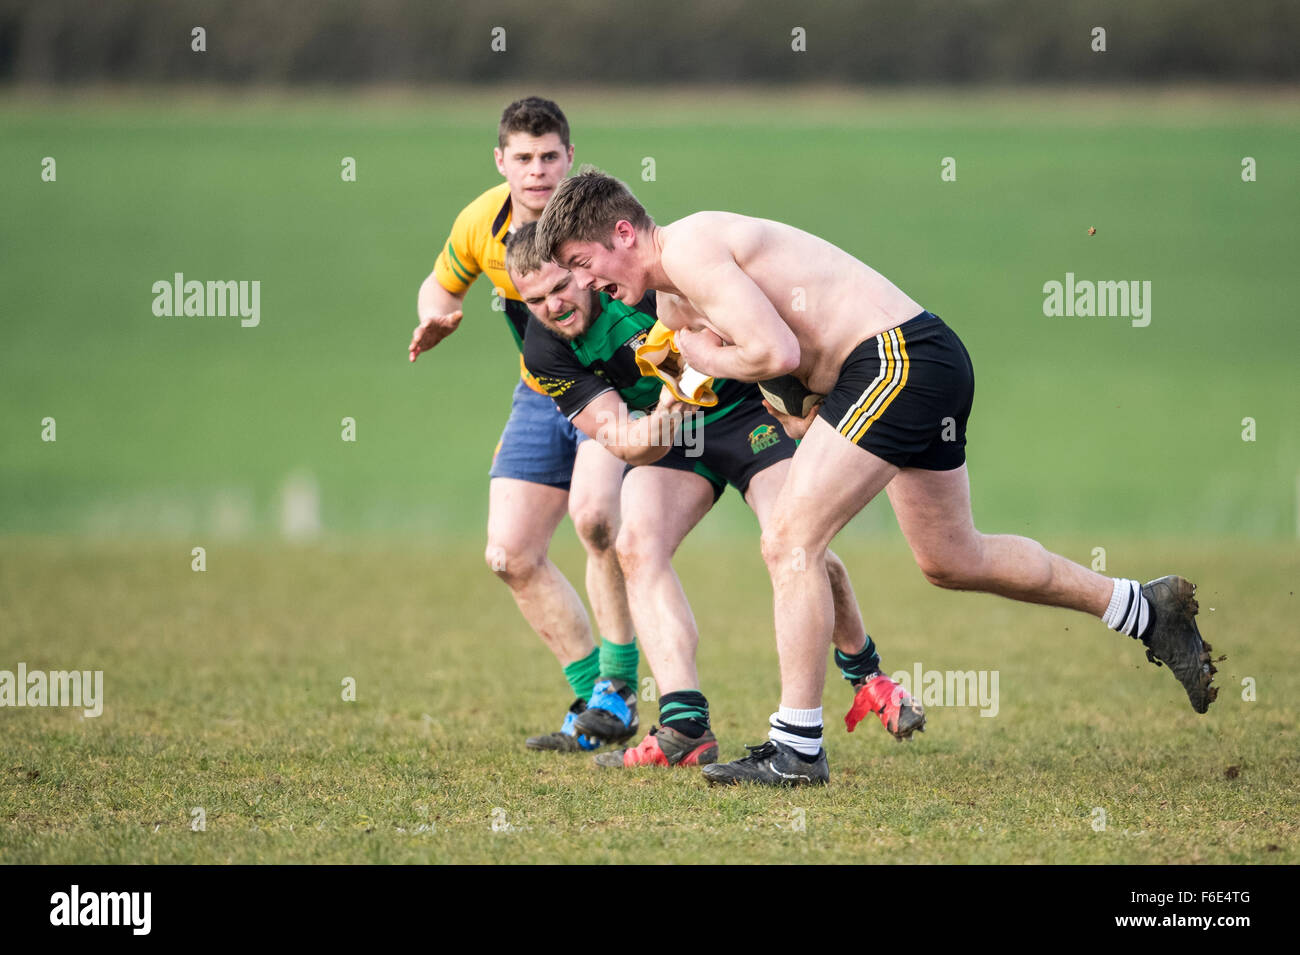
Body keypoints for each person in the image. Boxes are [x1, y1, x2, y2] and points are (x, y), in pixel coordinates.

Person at [535, 167, 1218, 786]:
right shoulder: (673, 303)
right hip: (914, 364)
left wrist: (698, 356)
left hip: (897, 360)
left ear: (623, 232)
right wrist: (697, 381)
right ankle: (1142, 607)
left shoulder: (689, 249)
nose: (585, 282)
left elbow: (775, 347)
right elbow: (785, 384)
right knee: (953, 557)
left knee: (790, 541)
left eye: (580, 262)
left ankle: (797, 746)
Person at [507, 222, 924, 772]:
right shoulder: (544, 349)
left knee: (801, 549)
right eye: (534, 299)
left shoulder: (645, 284)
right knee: (636, 544)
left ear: (584, 271)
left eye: (561, 287)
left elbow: (765, 337)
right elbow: (622, 440)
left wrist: (797, 405)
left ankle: (868, 677)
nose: (552, 306)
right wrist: (665, 415)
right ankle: (683, 728)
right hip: (672, 435)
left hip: (751, 416)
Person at [409, 103, 637, 752]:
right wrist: (436, 314)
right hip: (541, 395)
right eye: (523, 157)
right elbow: (441, 280)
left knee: (596, 520)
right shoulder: (482, 221)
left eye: (548, 156)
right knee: (509, 554)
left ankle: (620, 691)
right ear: (500, 161)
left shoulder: (598, 216)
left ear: (570, 157)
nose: (536, 170)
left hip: (615, 391)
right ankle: (595, 701)